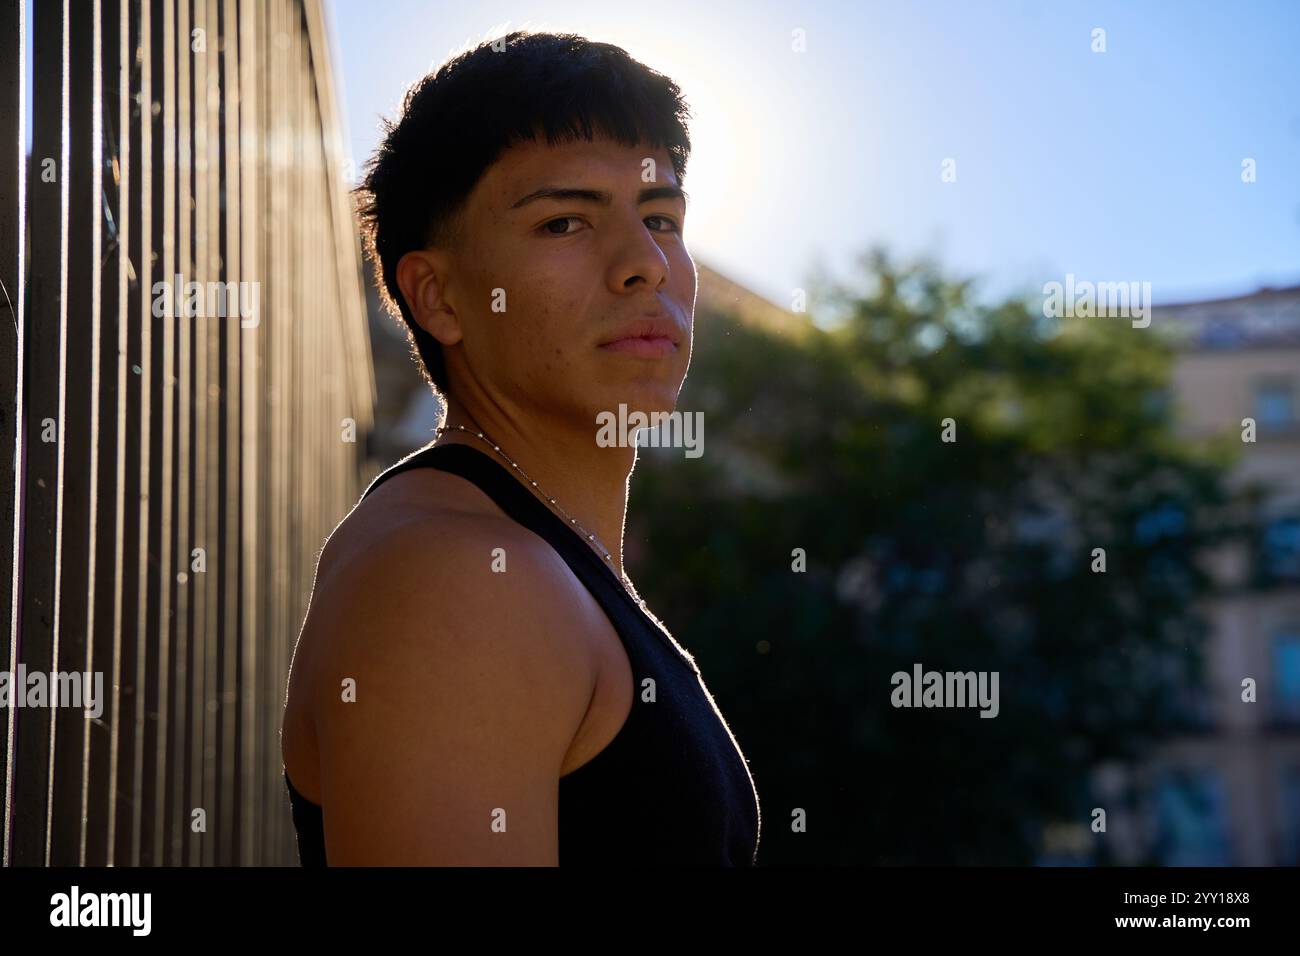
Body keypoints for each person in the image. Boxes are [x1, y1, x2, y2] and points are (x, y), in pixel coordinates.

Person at [280, 30, 760, 865]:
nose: (644, 263)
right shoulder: (456, 577)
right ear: (439, 297)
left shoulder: (538, 558)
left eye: (661, 218)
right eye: (564, 221)